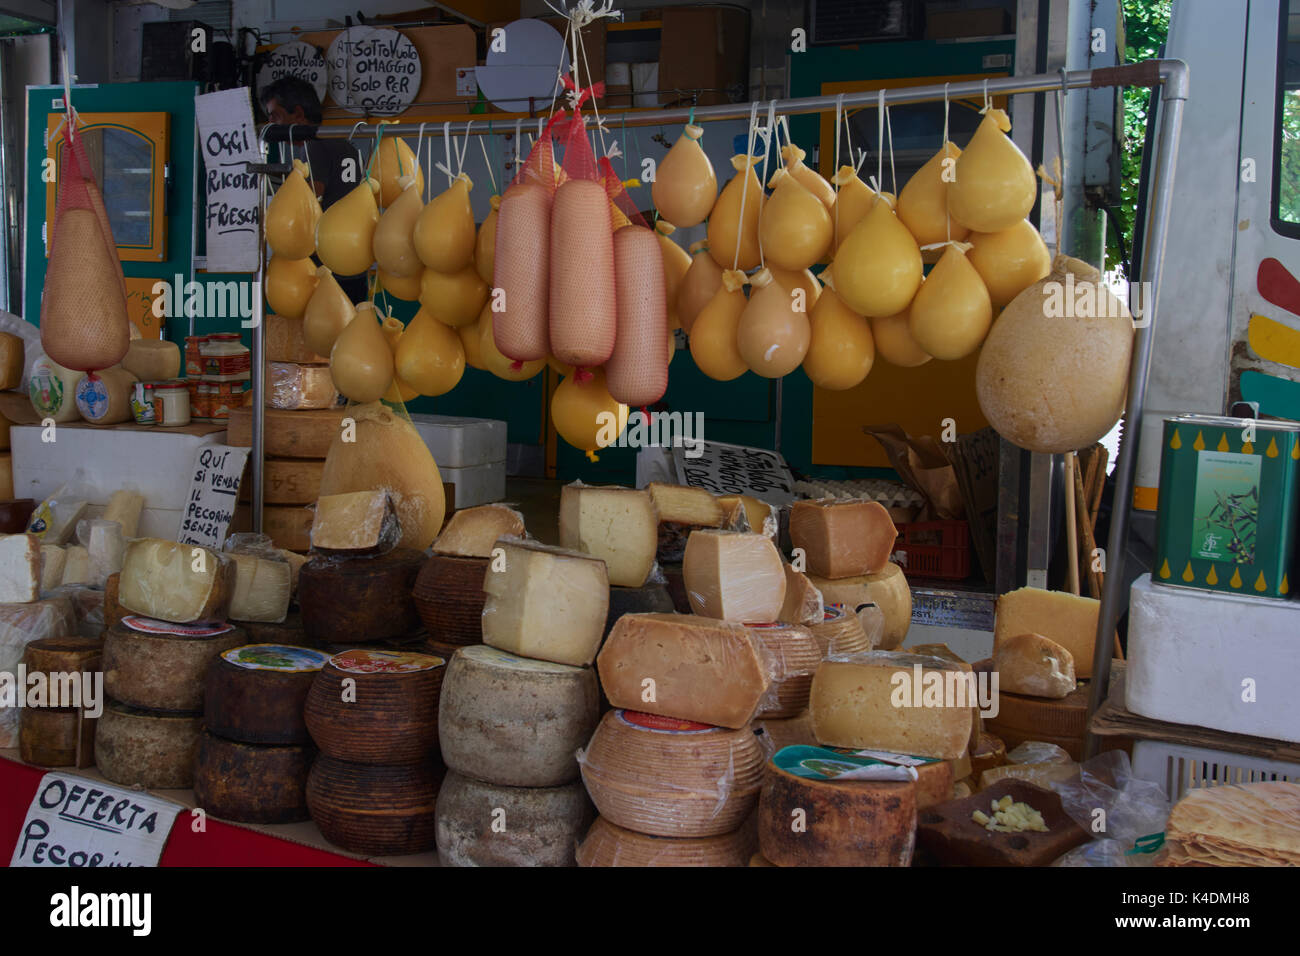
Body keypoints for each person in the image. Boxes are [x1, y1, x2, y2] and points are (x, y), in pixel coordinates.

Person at [258, 76, 369, 302]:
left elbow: (307, 201)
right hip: (354, 257)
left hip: (327, 264)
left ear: (298, 113)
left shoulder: (314, 147)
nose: (272, 123)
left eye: (275, 115)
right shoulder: (344, 143)